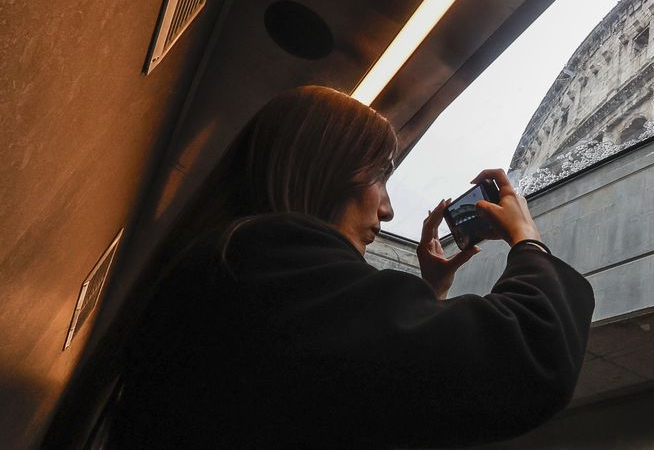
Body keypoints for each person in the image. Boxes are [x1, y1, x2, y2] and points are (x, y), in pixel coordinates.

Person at [108, 86, 594, 449]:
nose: (387, 209)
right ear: (328, 170)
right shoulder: (268, 259)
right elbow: (525, 356)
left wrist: (430, 294)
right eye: (381, 177)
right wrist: (527, 240)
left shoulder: (228, 268)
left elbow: (384, 387)